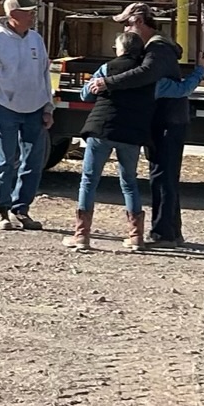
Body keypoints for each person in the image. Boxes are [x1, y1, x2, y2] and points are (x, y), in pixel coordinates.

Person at [113, 1, 204, 247]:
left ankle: (164, 233)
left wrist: (110, 81)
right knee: (165, 174)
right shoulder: (160, 47)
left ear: (140, 22)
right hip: (170, 118)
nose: (125, 30)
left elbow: (144, 74)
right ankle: (172, 231)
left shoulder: (157, 50)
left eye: (127, 24)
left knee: (162, 175)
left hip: (166, 119)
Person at [65, 29, 154, 252]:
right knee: (129, 183)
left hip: (102, 128)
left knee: (89, 180)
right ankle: (136, 237)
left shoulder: (107, 68)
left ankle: (82, 235)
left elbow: (86, 94)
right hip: (131, 132)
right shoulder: (146, 73)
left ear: (121, 48)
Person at [0, 0, 55, 231]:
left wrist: (48, 107)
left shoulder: (36, 40)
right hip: (5, 108)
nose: (32, 16)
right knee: (4, 161)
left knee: (33, 162)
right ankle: (1, 210)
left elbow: (44, 74)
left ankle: (22, 209)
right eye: (28, 12)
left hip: (35, 109)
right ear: (13, 14)